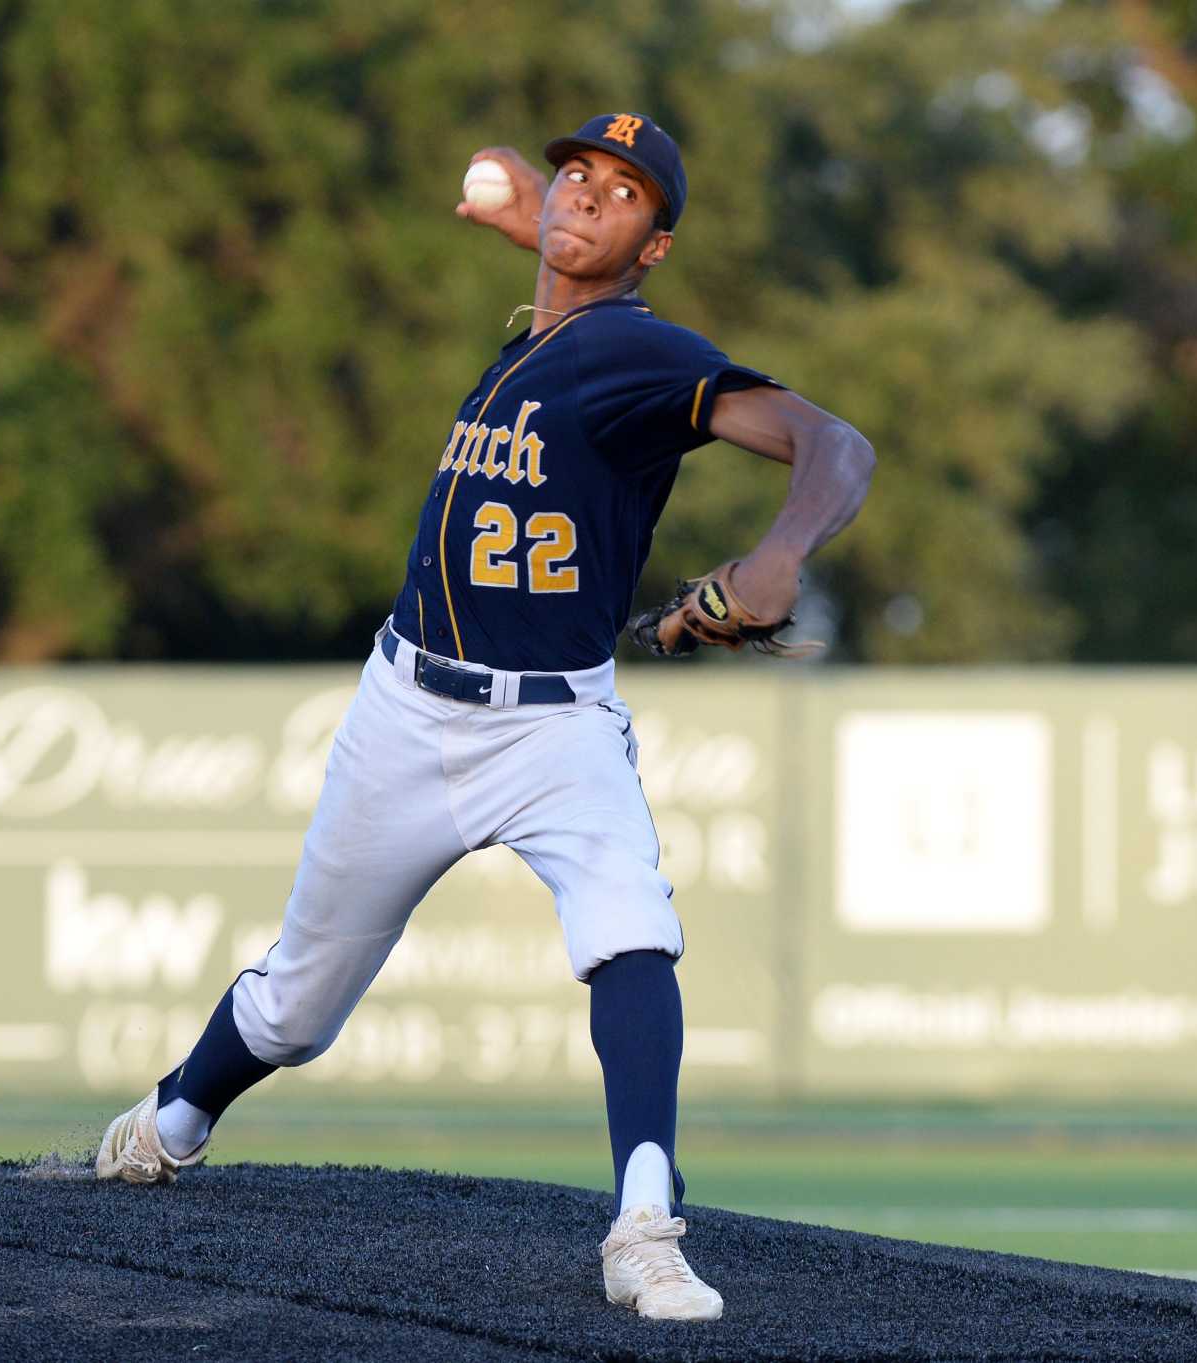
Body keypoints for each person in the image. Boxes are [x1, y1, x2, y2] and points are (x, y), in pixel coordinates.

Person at [96, 112, 875, 1323]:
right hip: (404, 705)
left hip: (552, 727)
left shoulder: (641, 354)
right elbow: (562, 253)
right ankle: (176, 1114)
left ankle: (644, 1225)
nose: (586, 194)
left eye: (623, 194)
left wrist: (779, 554)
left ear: (655, 247)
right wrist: (539, 221)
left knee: (629, 931)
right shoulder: (546, 329)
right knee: (297, 1006)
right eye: (576, 174)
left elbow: (835, 442)